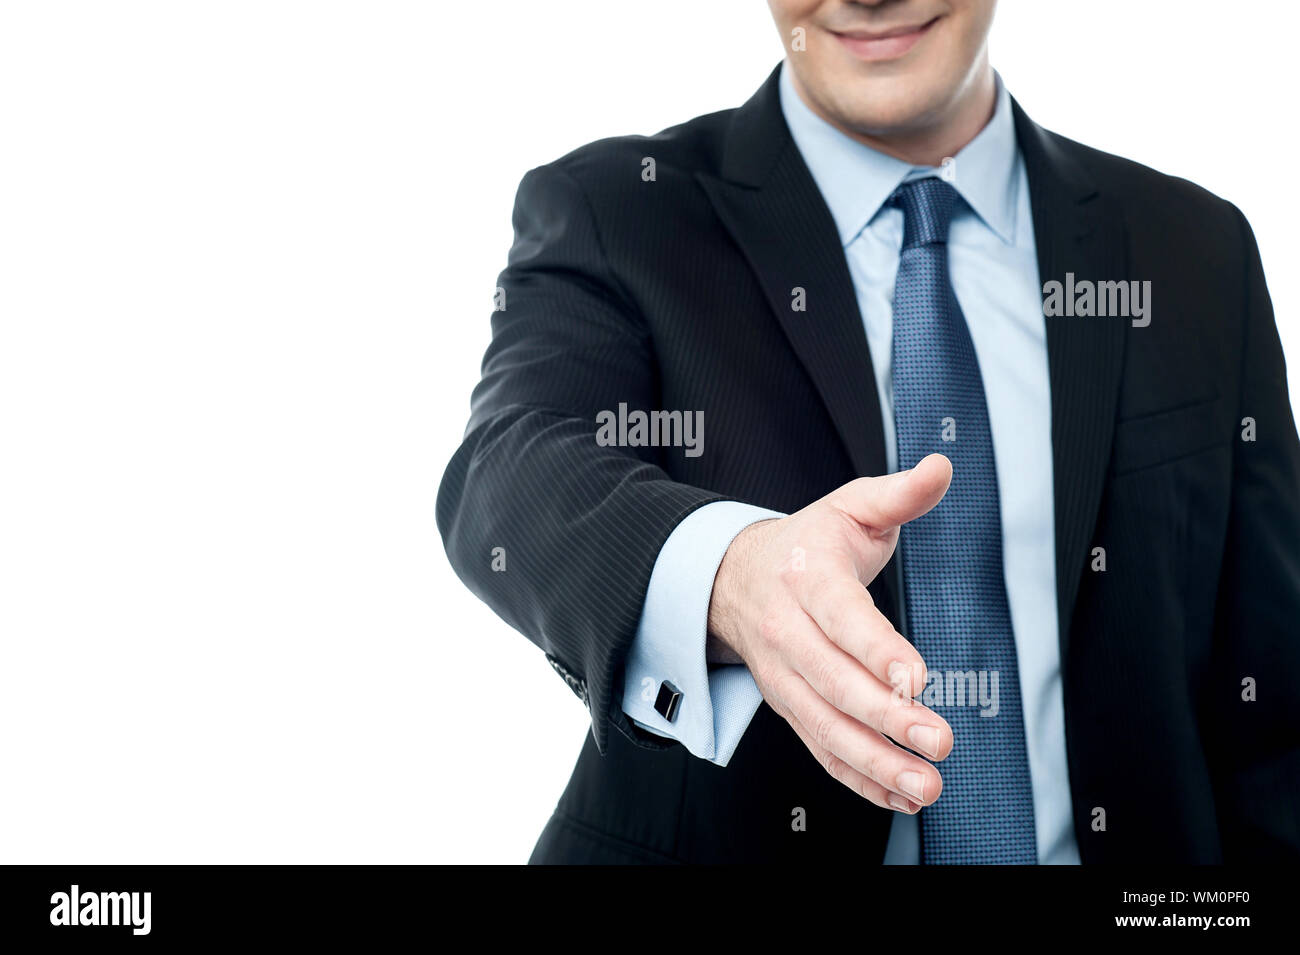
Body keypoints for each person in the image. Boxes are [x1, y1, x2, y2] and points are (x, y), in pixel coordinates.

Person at [437, 0, 1300, 863]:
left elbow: (1274, 711)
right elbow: (508, 469)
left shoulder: (1194, 248)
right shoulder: (618, 210)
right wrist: (731, 579)